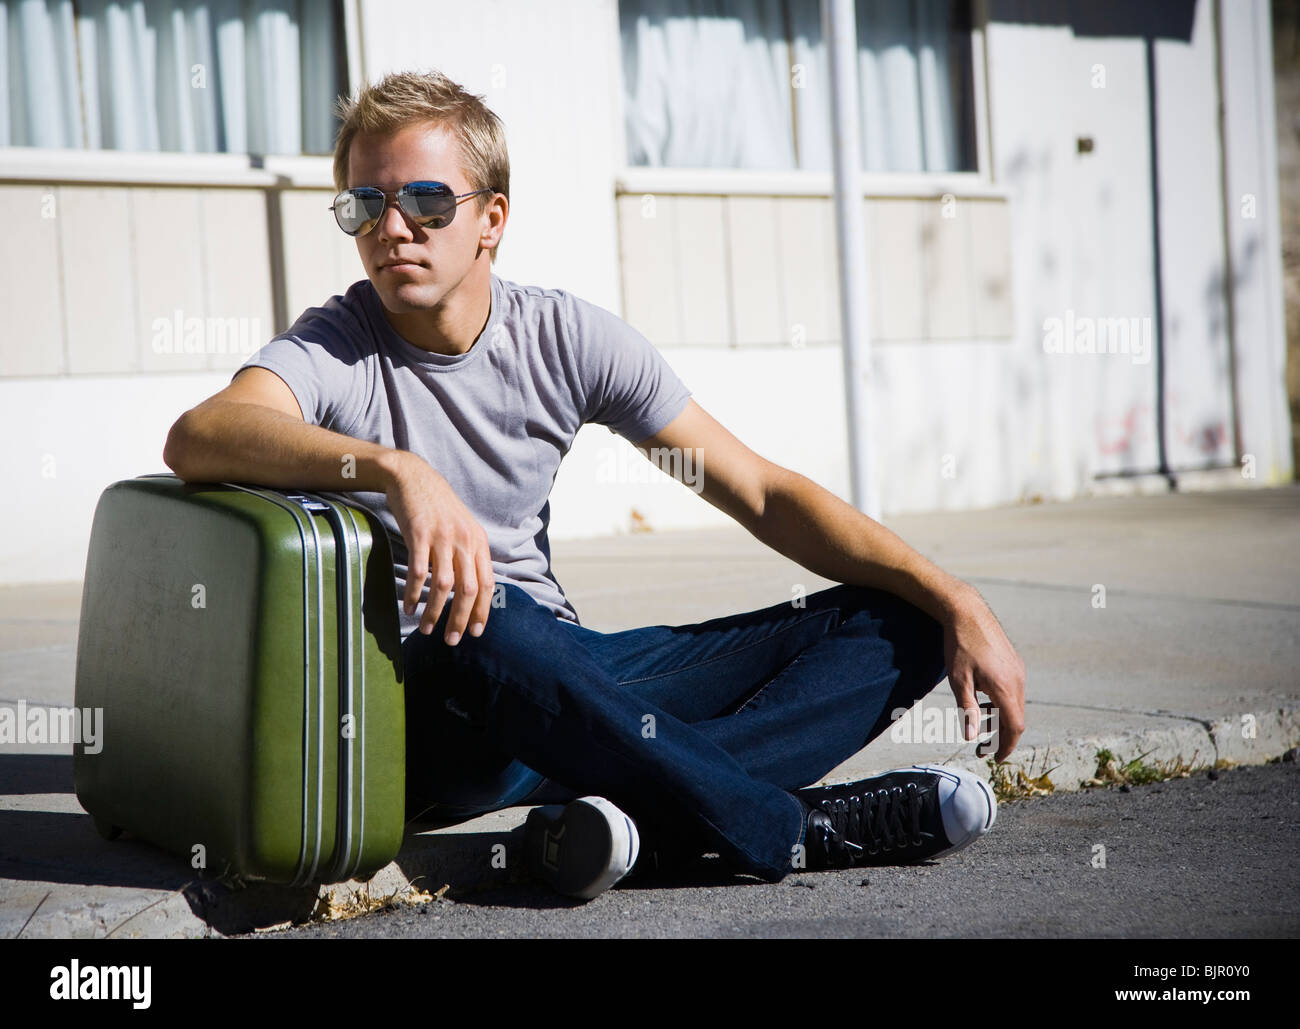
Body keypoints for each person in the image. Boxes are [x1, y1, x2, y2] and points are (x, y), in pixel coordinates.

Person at [163, 69, 1026, 902]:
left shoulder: (569, 340)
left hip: (576, 680)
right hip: (445, 708)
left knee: (899, 618)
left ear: (491, 219)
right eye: (366, 205)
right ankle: (785, 826)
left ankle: (614, 824)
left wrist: (954, 596)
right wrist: (392, 467)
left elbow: (759, 492)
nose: (394, 229)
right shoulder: (336, 346)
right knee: (482, 618)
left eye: (426, 202)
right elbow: (200, 435)